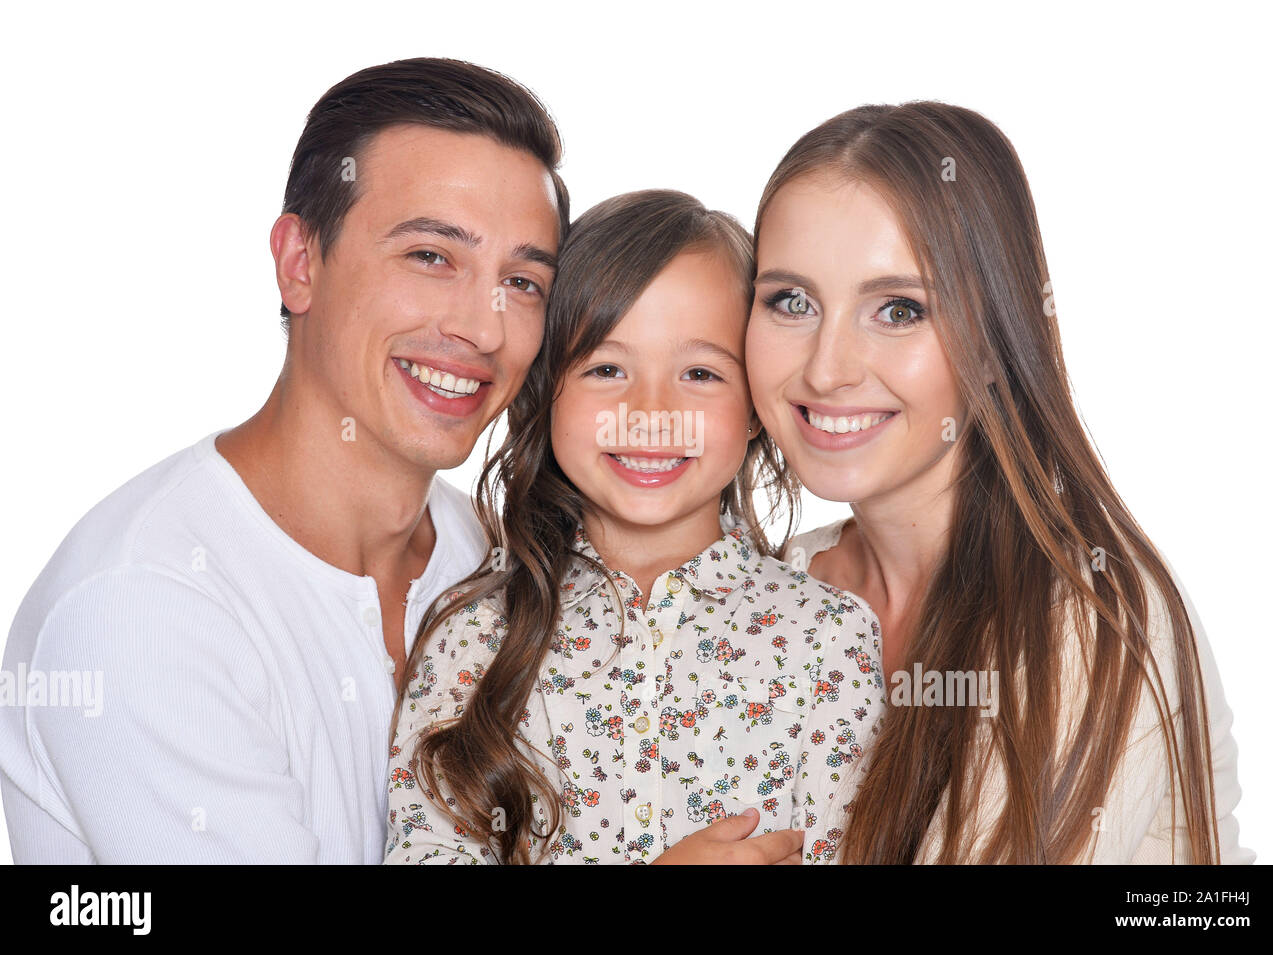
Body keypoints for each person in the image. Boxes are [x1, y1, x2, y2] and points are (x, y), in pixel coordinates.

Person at [0, 57, 569, 863]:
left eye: (522, 279)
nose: (485, 326)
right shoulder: (142, 605)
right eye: (432, 256)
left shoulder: (496, 559)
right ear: (300, 262)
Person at [746, 102, 1252, 863]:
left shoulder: (1091, 616)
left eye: (898, 309)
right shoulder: (773, 583)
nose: (826, 367)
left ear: (993, 342)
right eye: (792, 301)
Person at [385, 190, 884, 864]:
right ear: (545, 389)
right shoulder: (470, 635)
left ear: (759, 401)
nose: (651, 410)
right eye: (607, 368)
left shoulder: (829, 638)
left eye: (701, 372)